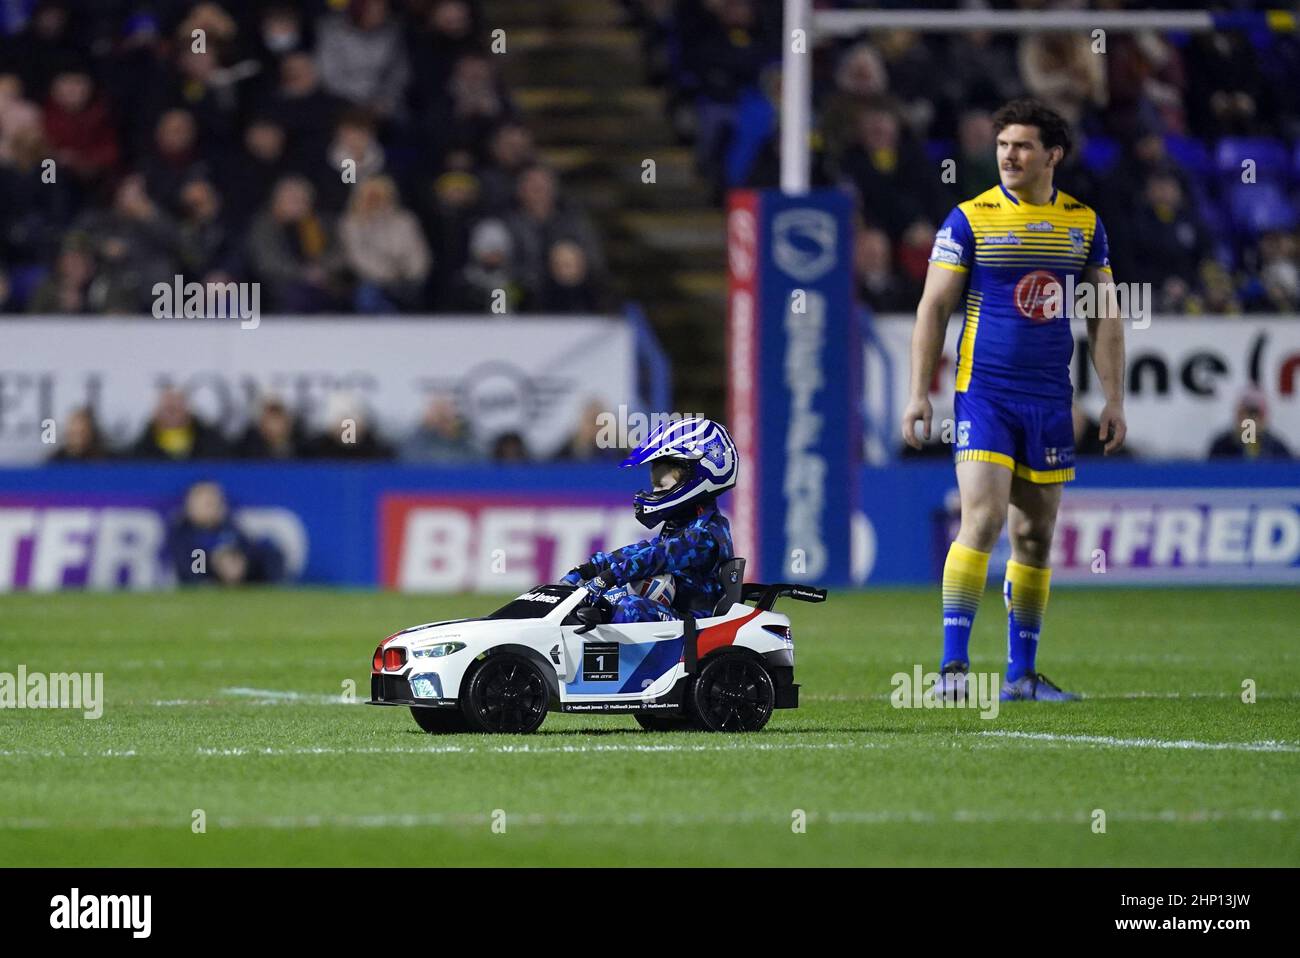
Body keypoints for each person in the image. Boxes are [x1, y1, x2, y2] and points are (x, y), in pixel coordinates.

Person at [901, 98, 1128, 702]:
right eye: (1003, 145)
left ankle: (1022, 675)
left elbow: (1105, 315)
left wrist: (1113, 398)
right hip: (985, 395)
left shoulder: (1083, 224)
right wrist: (918, 394)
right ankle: (951, 671)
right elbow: (933, 308)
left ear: (1052, 155)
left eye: (1022, 146)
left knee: (1035, 535)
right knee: (983, 517)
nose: (1009, 155)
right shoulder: (969, 219)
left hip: (1049, 399)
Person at [561, 417, 737, 624]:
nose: (654, 492)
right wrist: (588, 570)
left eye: (661, 486)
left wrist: (607, 578)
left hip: (695, 625)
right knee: (610, 599)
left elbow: (658, 556)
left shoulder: (707, 532)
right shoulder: (683, 524)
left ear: (697, 479)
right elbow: (643, 549)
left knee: (629, 607)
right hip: (676, 619)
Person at [1207, 389, 1292, 460]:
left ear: (1264, 418)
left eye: (1255, 414)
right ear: (1237, 416)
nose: (1250, 420)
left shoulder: (1277, 449)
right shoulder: (1221, 447)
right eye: (1245, 413)